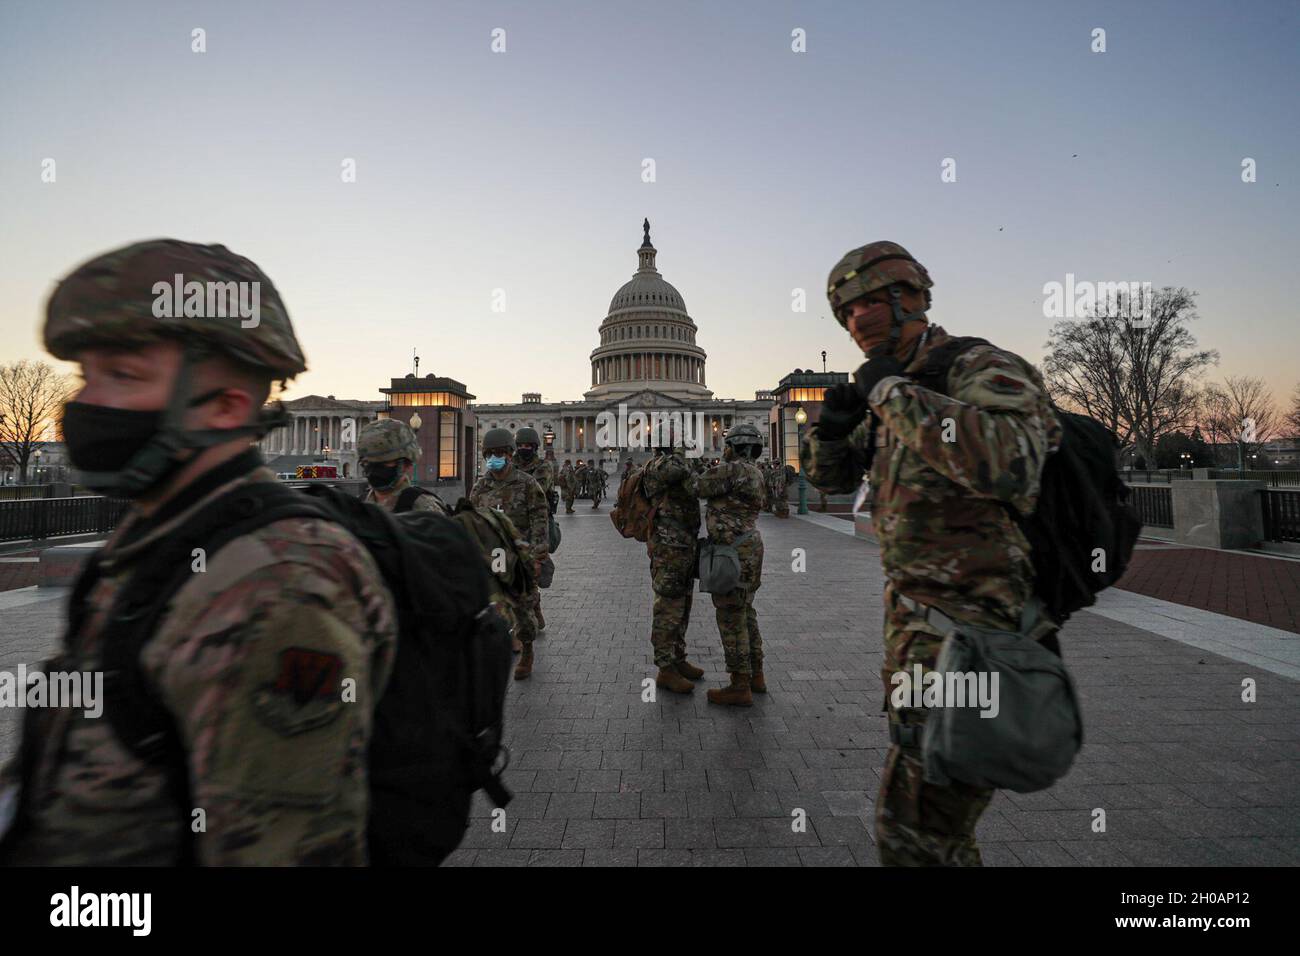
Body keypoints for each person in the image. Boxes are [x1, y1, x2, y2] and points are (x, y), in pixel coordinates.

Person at [0, 239, 396, 865]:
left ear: (226, 407)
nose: (83, 404)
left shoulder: (280, 586)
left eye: (124, 375)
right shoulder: (161, 535)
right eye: (86, 375)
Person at [802, 240, 1060, 866]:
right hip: (921, 638)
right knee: (933, 838)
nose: (858, 320)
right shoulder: (905, 389)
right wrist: (830, 430)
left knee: (914, 838)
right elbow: (829, 482)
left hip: (980, 640)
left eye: (869, 302)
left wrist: (888, 390)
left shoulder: (977, 367)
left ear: (913, 297)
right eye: (845, 311)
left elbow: (1011, 461)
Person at [687, 423, 766, 706]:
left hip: (732, 551)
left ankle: (739, 684)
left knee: (731, 616)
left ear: (734, 447)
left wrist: (691, 462)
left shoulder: (732, 470)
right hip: (751, 546)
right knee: (746, 611)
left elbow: (697, 486)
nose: (725, 448)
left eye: (727, 444)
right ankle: (757, 674)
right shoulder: (757, 472)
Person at [470, 428, 549, 679]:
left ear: (510, 454)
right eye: (490, 454)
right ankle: (502, 645)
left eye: (500, 453)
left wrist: (538, 557)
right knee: (495, 606)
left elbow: (539, 519)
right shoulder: (480, 487)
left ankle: (526, 650)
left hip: (521, 555)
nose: (495, 458)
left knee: (523, 608)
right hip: (492, 558)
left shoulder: (527, 483)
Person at [641, 443, 704, 693]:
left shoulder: (675, 462)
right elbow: (682, 474)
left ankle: (678, 658)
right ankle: (665, 668)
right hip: (668, 546)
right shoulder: (661, 464)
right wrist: (683, 453)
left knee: (683, 605)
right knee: (668, 607)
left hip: (684, 545)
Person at [513, 427, 555, 632]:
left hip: (535, 525)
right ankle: (530, 609)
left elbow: (537, 490)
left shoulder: (543, 467)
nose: (523, 449)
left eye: (528, 446)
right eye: (520, 445)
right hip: (511, 524)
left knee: (530, 571)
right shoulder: (509, 464)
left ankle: (533, 609)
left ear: (535, 447)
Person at [357, 419, 445, 514]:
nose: (374, 469)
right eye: (367, 462)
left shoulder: (424, 508)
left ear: (406, 464)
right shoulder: (357, 506)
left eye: (384, 462)